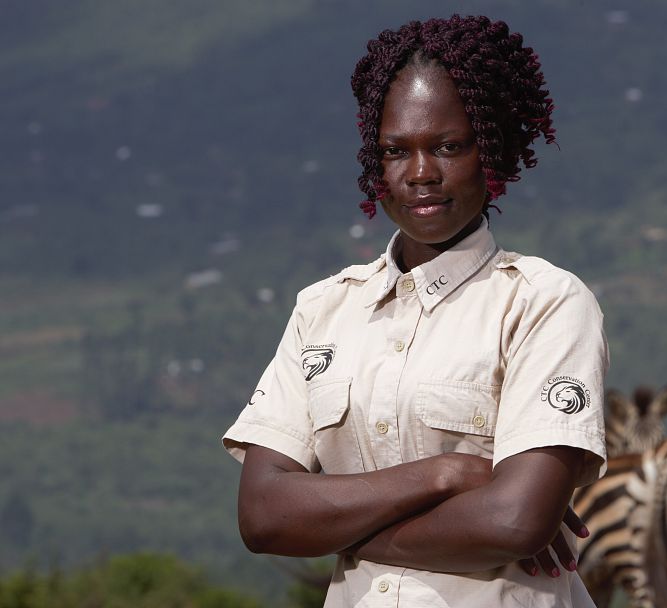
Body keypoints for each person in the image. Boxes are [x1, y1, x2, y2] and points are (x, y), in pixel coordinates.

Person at [222, 15, 609, 608]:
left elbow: (514, 522)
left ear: (493, 150)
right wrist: (446, 476)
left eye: (448, 146)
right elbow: (263, 517)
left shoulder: (543, 302)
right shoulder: (323, 310)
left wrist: (341, 531)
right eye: (396, 150)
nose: (421, 173)